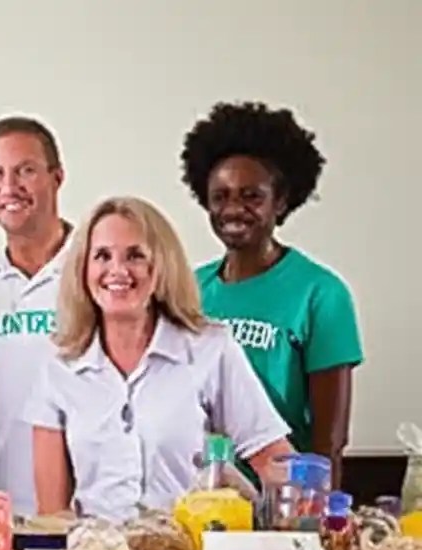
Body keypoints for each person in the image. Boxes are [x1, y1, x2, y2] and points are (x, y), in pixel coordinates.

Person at [24, 196, 294, 521]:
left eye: (135, 255)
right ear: (83, 269)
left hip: (191, 547)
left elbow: (274, 461)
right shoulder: (58, 364)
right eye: (102, 256)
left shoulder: (209, 348)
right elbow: (53, 515)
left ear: (162, 266)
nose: (117, 270)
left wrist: (299, 523)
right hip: (98, 549)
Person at [181, 101, 362, 489]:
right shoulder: (189, 289)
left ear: (280, 201)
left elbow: (329, 442)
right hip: (201, 497)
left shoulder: (321, 294)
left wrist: (313, 512)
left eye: (251, 196)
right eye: (220, 196)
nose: (233, 209)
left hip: (283, 499)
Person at [0, 116, 74, 516]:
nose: (9, 187)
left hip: (88, 517)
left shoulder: (98, 275)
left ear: (57, 177)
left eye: (25, 170)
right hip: (0, 515)